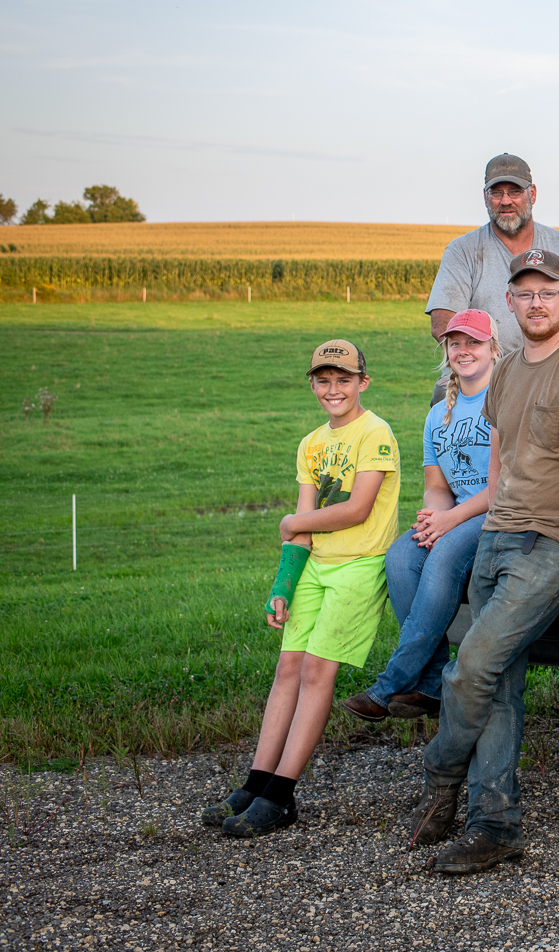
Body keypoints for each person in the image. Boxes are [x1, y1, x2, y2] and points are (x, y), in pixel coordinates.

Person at [407, 250, 559, 874]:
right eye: (524, 292)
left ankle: (439, 776)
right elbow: (501, 451)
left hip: (555, 543)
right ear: (509, 302)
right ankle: (496, 822)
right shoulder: (506, 372)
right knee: (497, 681)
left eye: (548, 292)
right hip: (498, 537)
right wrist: (492, 515)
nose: (536, 302)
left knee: (469, 666)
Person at [202, 340, 400, 837]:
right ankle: (256, 782)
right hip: (314, 567)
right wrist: (283, 583)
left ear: (363, 383)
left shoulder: (375, 433)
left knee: (316, 670)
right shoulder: (311, 443)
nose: (334, 389)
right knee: (287, 665)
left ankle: (282, 794)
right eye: (323, 380)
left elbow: (355, 509)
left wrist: (291, 518)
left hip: (358, 564)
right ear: (312, 384)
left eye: (344, 379)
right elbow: (304, 531)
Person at [340, 310, 497, 723]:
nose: (463, 351)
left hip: (498, 513)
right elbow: (437, 485)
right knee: (402, 557)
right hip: (458, 514)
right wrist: (434, 518)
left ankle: (393, 682)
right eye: (455, 343)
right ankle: (431, 681)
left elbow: (506, 485)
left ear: (494, 349)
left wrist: (450, 523)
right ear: (445, 351)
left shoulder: (503, 399)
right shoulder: (437, 415)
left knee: (443, 559)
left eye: (474, 342)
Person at [426, 154, 559, 356]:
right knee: (446, 388)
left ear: (533, 194)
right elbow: (443, 322)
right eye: (496, 193)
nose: (505, 201)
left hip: (549, 371)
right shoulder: (461, 251)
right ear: (485, 197)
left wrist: (542, 368)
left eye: (515, 192)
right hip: (481, 374)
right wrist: (491, 369)